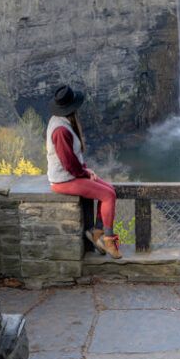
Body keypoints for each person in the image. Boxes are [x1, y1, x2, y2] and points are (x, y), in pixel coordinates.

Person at [46, 84, 123, 260]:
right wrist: (85, 173)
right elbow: (68, 164)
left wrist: (85, 170)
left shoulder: (60, 122)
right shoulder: (60, 130)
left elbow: (73, 159)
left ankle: (97, 232)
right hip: (64, 180)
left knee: (110, 189)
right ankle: (108, 240)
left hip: (70, 175)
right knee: (107, 196)